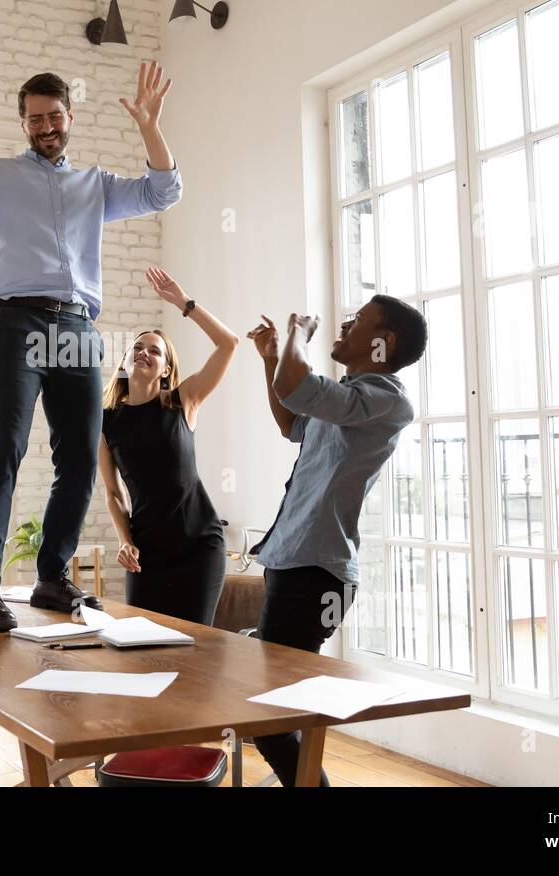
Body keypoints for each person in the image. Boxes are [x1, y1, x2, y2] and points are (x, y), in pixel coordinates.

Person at [0, 63, 182, 631]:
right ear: (24, 122)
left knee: (82, 458)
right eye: (35, 118)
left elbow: (163, 190)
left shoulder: (95, 185)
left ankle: (51, 578)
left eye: (55, 116)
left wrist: (150, 127)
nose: (46, 126)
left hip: (78, 327)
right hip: (15, 322)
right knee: (4, 447)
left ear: (69, 117)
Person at [246, 295, 427, 786]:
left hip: (317, 573)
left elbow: (296, 385)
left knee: (272, 717)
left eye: (357, 320)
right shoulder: (343, 397)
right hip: (292, 561)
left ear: (382, 342)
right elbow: (290, 421)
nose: (344, 324)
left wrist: (297, 335)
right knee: (274, 707)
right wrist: (270, 360)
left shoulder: (385, 399)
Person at [97, 266, 237, 625]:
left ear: (165, 368)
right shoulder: (105, 421)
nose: (144, 353)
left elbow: (228, 344)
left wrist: (183, 303)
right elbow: (113, 493)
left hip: (199, 547)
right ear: (126, 362)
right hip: (145, 551)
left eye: (155, 351)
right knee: (140, 648)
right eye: (137, 348)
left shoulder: (182, 401)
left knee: (193, 649)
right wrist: (124, 540)